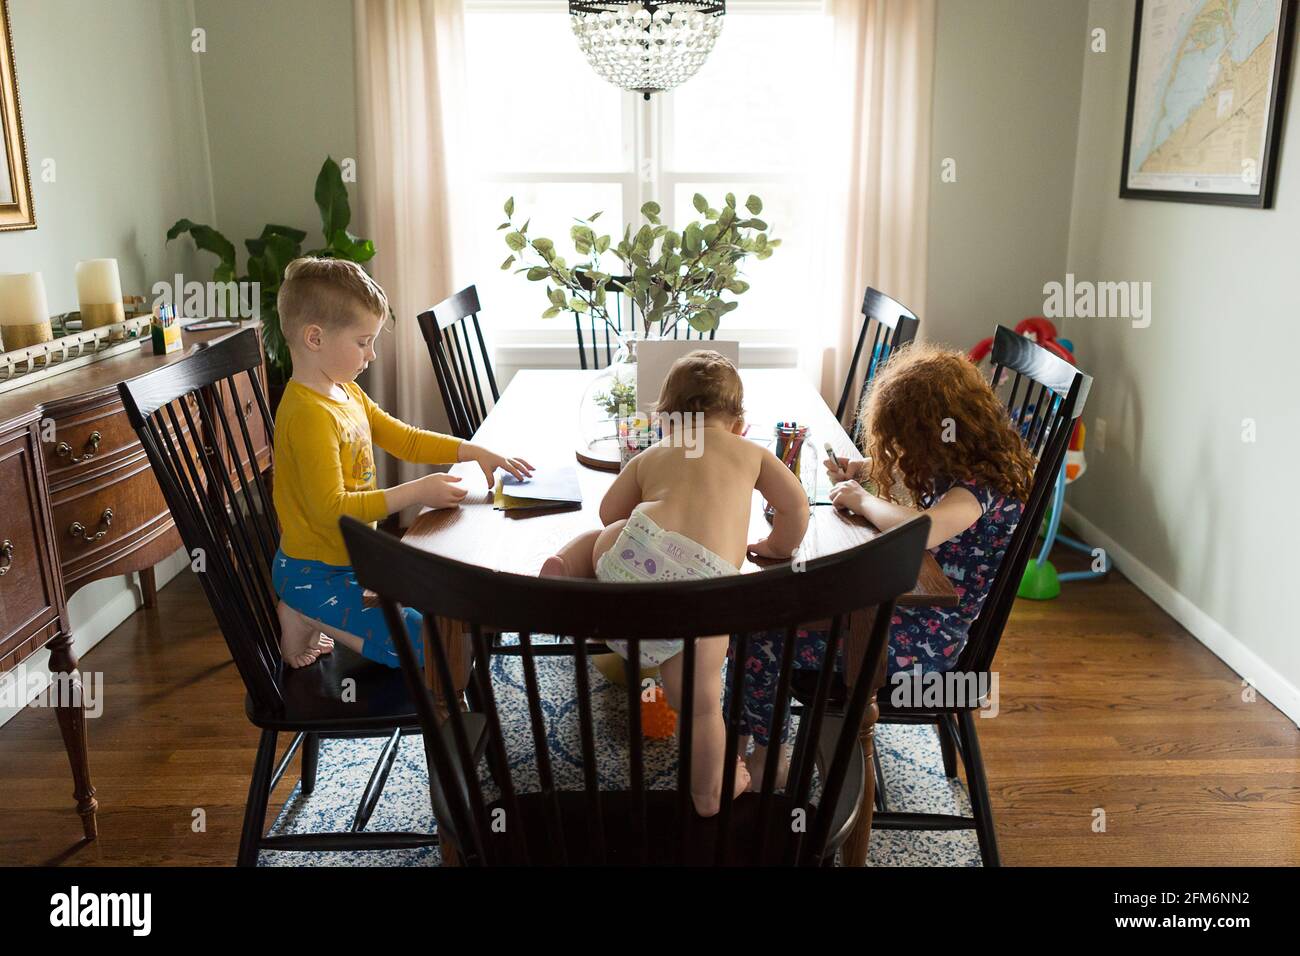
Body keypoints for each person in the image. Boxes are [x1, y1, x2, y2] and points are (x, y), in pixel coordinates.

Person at [540, 350, 809, 815]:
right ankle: (710, 793)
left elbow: (609, 513)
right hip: (704, 597)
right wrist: (777, 548)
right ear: (739, 421)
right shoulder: (753, 453)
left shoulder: (656, 452)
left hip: (631, 581)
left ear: (665, 419)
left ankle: (568, 571)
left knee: (597, 536)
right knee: (700, 708)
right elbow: (796, 507)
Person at [271, 257, 533, 667]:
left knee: (447, 619)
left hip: (354, 564)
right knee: (434, 649)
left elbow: (406, 439)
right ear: (315, 338)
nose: (371, 355)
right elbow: (330, 510)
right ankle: (301, 611)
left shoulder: (345, 393)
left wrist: (470, 449)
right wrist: (417, 491)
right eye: (363, 342)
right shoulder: (307, 415)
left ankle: (314, 615)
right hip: (314, 574)